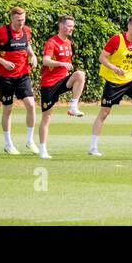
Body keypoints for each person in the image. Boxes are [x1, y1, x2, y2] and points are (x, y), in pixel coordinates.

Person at [88, 16, 132, 156]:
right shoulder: (116, 39)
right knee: (104, 114)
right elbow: (102, 57)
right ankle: (93, 147)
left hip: (129, 80)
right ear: (129, 26)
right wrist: (114, 68)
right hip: (113, 82)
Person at [0, 7, 39, 155]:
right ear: (11, 19)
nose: (21, 23)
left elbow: (27, 44)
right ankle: (8, 143)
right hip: (6, 77)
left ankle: (30, 141)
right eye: (18, 20)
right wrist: (2, 62)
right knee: (8, 109)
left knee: (31, 105)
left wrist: (33, 55)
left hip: (23, 75)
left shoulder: (26, 30)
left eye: (23, 20)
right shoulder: (2, 32)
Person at [37, 14, 86, 159]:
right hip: (49, 84)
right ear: (61, 26)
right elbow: (45, 61)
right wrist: (61, 64)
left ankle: (73, 106)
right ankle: (42, 149)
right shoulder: (52, 42)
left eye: (72, 26)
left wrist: (65, 68)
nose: (71, 28)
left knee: (80, 75)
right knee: (46, 117)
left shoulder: (69, 42)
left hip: (63, 80)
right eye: (69, 26)